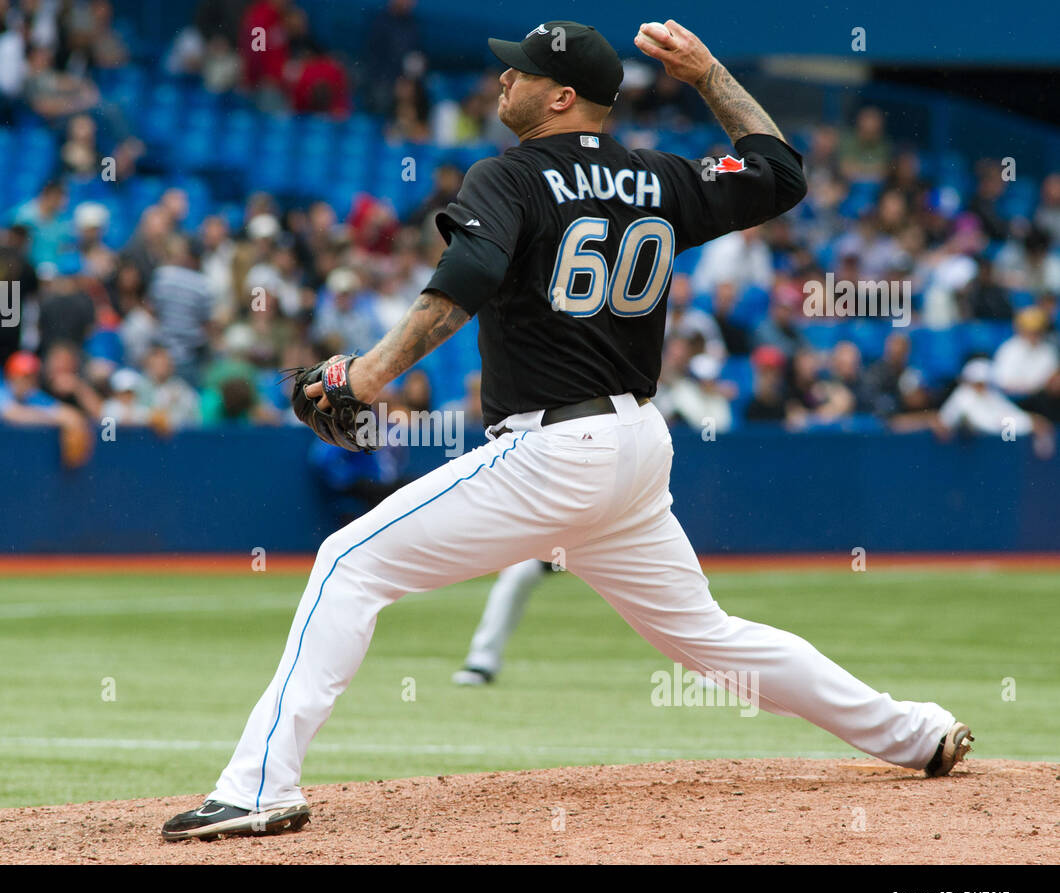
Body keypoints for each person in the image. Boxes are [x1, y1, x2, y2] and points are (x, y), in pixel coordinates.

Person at [162, 19, 972, 842]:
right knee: (713, 639)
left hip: (553, 450)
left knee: (346, 562)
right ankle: (915, 731)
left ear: (561, 97)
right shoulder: (661, 178)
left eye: (518, 75)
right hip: (635, 448)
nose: (501, 83)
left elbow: (468, 277)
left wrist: (364, 375)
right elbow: (778, 170)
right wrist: (708, 73)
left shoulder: (509, 176)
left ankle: (259, 784)